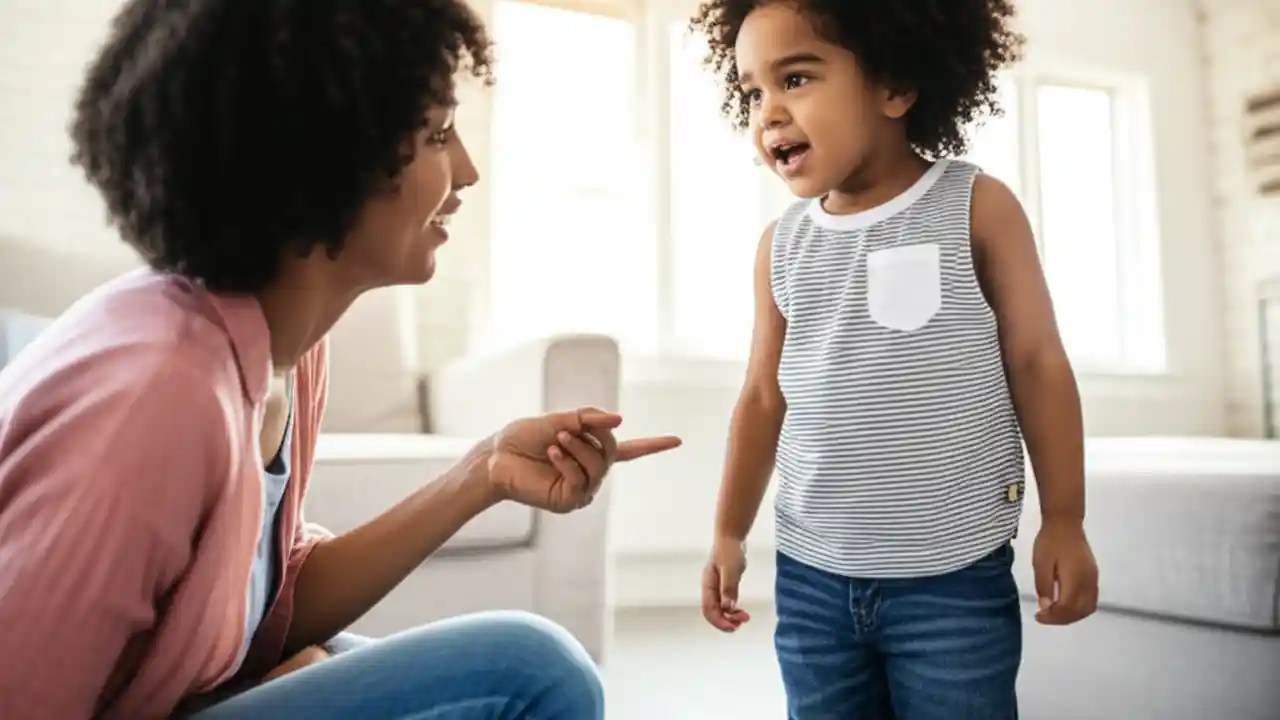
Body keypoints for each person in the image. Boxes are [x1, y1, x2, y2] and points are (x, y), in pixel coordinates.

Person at [0, 1, 681, 718]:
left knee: (428, 667)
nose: (468, 172)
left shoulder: (285, 351)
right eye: (439, 135)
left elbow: (270, 610)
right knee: (528, 671)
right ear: (329, 160)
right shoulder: (158, 389)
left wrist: (483, 473)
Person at [690, 1, 1100, 717]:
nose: (769, 113)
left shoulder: (976, 209)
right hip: (813, 577)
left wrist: (1063, 516)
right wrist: (728, 530)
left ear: (895, 85)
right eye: (754, 91)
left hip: (953, 580)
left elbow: (1038, 362)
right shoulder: (781, 247)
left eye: (795, 78)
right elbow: (762, 397)